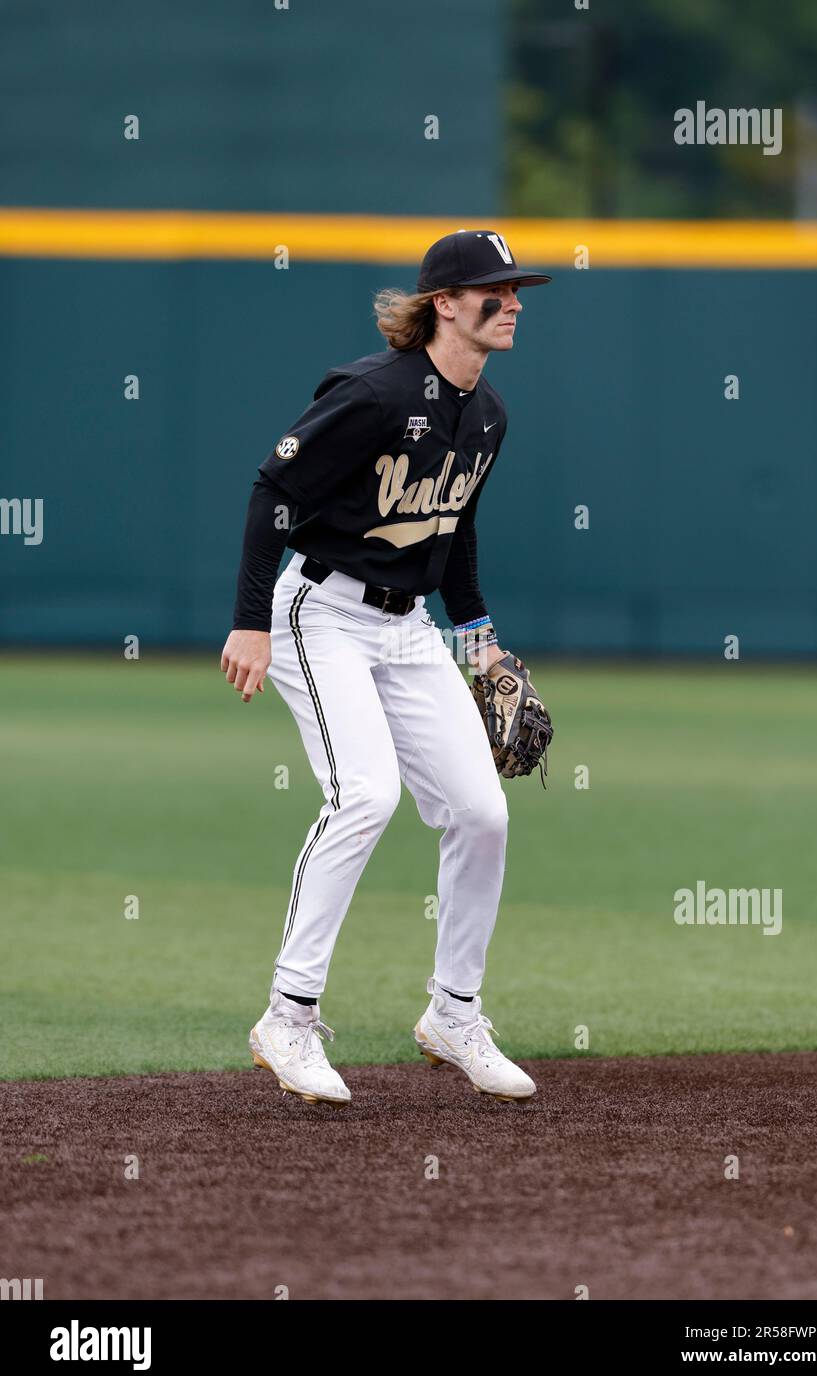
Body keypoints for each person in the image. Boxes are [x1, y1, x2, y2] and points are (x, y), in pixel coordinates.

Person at [221, 229, 551, 1107]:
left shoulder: (487, 413)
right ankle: (287, 1016)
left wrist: (477, 634)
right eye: (495, 289)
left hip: (409, 629)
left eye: (518, 289)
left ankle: (454, 1012)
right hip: (319, 611)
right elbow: (272, 493)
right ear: (445, 303)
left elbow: (454, 527)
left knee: (482, 812)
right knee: (365, 793)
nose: (513, 301)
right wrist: (251, 622)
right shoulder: (372, 394)